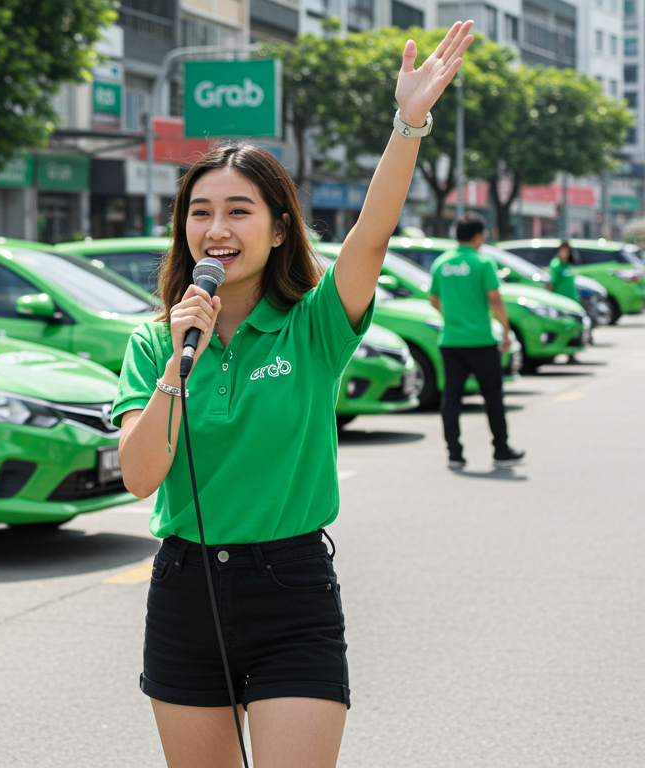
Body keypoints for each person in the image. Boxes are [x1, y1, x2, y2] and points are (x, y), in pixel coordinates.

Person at [112, 22, 476, 768]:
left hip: (293, 591)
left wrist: (409, 122)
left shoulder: (313, 327)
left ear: (279, 230)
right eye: (201, 212)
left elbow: (371, 237)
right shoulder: (155, 345)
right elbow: (141, 474)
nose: (217, 229)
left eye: (239, 211)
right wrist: (181, 365)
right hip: (185, 592)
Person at [429, 213, 524, 471]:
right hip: (481, 340)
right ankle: (501, 450)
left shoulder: (441, 263)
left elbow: (434, 300)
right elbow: (494, 299)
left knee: (452, 398)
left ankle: (455, 454)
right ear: (479, 236)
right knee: (492, 396)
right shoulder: (483, 262)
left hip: (451, 340)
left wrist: (453, 318)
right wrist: (505, 331)